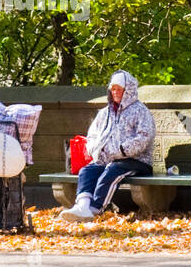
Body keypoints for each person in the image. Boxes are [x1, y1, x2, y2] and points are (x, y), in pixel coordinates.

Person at [60, 70, 155, 222]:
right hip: (106, 159)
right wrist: (93, 149)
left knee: (113, 170)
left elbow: (145, 136)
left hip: (137, 160)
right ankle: (82, 206)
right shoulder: (105, 112)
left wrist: (121, 150)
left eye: (119, 88)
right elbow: (92, 134)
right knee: (87, 170)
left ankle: (95, 208)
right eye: (113, 88)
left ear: (128, 90)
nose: (115, 92)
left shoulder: (140, 110)